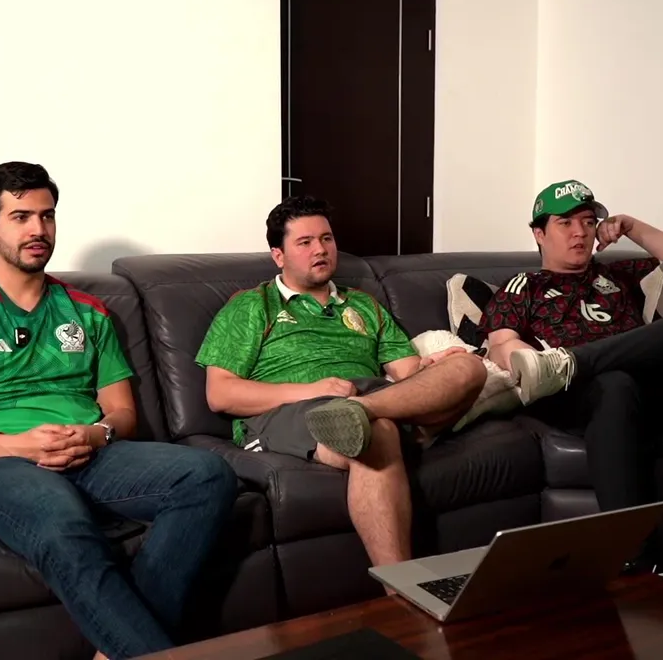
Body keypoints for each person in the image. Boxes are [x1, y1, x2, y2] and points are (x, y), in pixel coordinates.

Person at [0, 161, 238, 660]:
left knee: (208, 475)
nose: (38, 229)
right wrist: (11, 446)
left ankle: (119, 648)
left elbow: (122, 413)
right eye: (21, 217)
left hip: (89, 452)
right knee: (63, 520)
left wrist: (95, 435)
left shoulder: (88, 311)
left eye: (47, 215)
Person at [196, 195, 487, 571]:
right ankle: (401, 586)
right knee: (376, 432)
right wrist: (315, 390)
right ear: (278, 255)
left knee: (469, 368)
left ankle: (359, 412)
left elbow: (408, 373)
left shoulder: (363, 304)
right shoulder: (252, 305)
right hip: (291, 412)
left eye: (326, 238)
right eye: (305, 242)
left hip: (370, 399)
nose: (320, 249)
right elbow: (220, 393)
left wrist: (431, 368)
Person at [480, 180, 663, 560]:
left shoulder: (617, 275)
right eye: (565, 223)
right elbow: (502, 344)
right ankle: (635, 556)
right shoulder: (526, 286)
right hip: (585, 395)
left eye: (588, 221)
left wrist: (630, 226)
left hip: (652, 388)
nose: (580, 232)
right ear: (539, 234)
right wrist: (526, 357)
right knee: (615, 384)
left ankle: (573, 361)